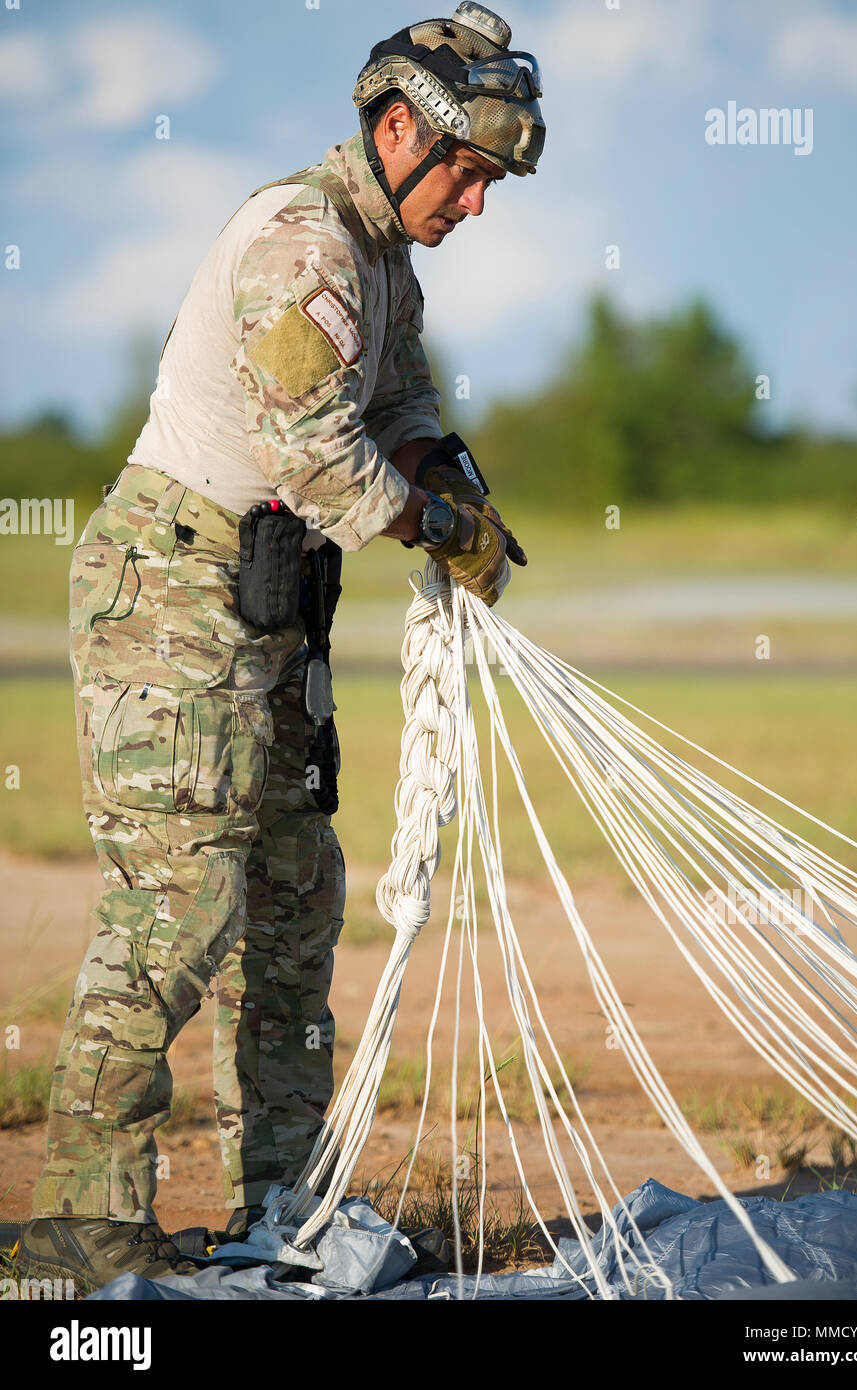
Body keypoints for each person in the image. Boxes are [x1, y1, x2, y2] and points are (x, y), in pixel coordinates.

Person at [17, 1, 544, 1290]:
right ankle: (81, 1234)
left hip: (271, 608)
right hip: (177, 595)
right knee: (178, 913)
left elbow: (404, 406)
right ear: (393, 127)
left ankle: (281, 1205)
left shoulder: (385, 266)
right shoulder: (303, 242)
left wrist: (457, 491)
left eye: (489, 180)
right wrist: (428, 521)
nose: (475, 203)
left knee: (296, 906)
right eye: (467, 172)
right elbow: (319, 460)